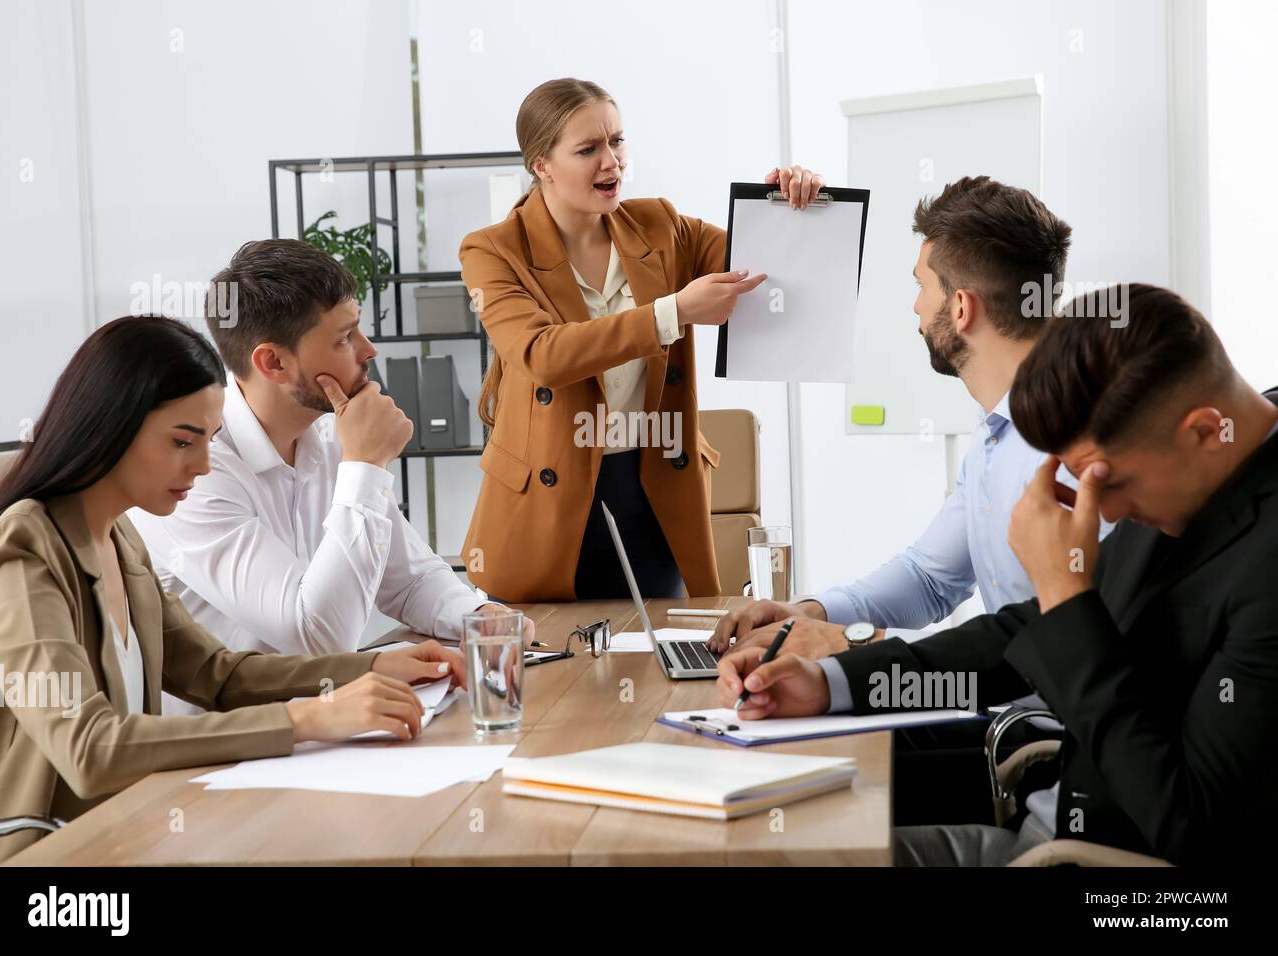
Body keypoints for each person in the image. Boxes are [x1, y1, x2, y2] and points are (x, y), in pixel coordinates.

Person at [716, 284, 1278, 865]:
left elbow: (1196, 830)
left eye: (1107, 483)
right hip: (1042, 827)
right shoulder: (1178, 480)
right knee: (759, 851)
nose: (1105, 512)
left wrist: (1065, 595)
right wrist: (829, 681)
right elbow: (1022, 635)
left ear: (1207, 433)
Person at [0, 316, 466, 865]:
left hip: (135, 831)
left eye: (208, 440)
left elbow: (217, 675)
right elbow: (91, 748)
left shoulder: (119, 538)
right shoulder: (25, 550)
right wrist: (308, 718)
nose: (203, 465)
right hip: (56, 856)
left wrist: (370, 669)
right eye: (182, 441)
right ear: (109, 427)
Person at [708, 176, 1087, 824]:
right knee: (773, 753)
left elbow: (1048, 632)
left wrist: (848, 645)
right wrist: (810, 612)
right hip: (1000, 715)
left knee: (797, 801)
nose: (915, 309)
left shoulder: (1067, 446)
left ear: (961, 308)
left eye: (922, 286)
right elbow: (929, 575)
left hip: (1041, 748)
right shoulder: (999, 432)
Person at [459, 76, 824, 602]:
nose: (612, 161)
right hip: (546, 503)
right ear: (542, 166)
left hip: (652, 488)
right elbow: (543, 355)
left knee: (664, 666)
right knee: (552, 672)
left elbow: (771, 268)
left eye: (617, 140)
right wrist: (672, 313)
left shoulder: (661, 225)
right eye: (588, 149)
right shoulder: (492, 251)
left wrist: (790, 204)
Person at [130, 240, 529, 715]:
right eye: (344, 339)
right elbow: (317, 639)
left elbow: (408, 580)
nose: (369, 351)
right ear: (272, 363)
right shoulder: (198, 470)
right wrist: (364, 466)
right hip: (227, 756)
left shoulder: (330, 436)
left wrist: (480, 618)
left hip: (323, 727)